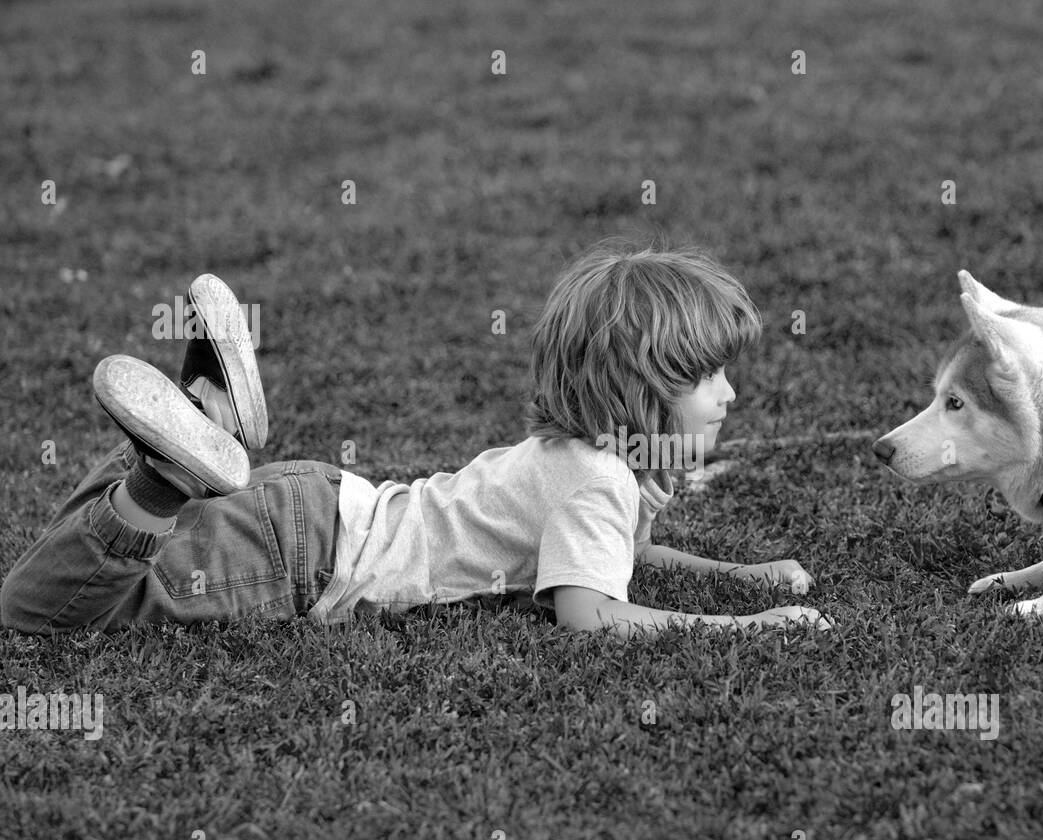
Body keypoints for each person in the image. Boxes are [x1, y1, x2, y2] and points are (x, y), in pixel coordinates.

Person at [0, 243, 832, 636]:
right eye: (709, 377)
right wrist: (748, 623)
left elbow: (609, 558)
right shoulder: (599, 483)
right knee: (37, 614)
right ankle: (163, 477)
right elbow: (588, 611)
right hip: (311, 559)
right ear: (643, 389)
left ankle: (198, 419)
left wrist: (736, 573)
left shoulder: (580, 459)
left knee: (90, 547)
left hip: (319, 501)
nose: (732, 395)